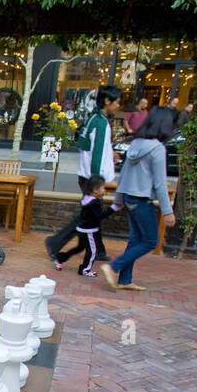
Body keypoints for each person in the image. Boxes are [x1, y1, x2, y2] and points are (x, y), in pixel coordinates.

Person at [100, 105, 178, 292]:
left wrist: (118, 199)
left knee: (136, 240)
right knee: (151, 241)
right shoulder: (157, 149)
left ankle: (124, 280)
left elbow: (124, 174)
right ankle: (113, 267)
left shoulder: (136, 144)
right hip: (141, 200)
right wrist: (168, 212)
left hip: (128, 197)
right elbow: (160, 184)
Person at [75, 84, 121, 260]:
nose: (118, 106)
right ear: (107, 101)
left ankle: (96, 249)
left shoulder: (94, 118)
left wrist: (111, 154)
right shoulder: (100, 123)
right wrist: (97, 182)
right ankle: (94, 249)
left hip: (88, 177)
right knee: (92, 217)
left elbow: (96, 148)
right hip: (91, 178)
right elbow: (97, 154)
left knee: (90, 217)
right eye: (116, 102)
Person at [53, 175, 112, 277]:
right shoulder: (94, 202)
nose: (104, 189)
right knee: (93, 251)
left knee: (79, 248)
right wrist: (113, 208)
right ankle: (85, 269)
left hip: (82, 229)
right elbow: (99, 215)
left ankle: (60, 258)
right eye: (103, 187)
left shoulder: (86, 198)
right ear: (95, 190)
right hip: (89, 231)